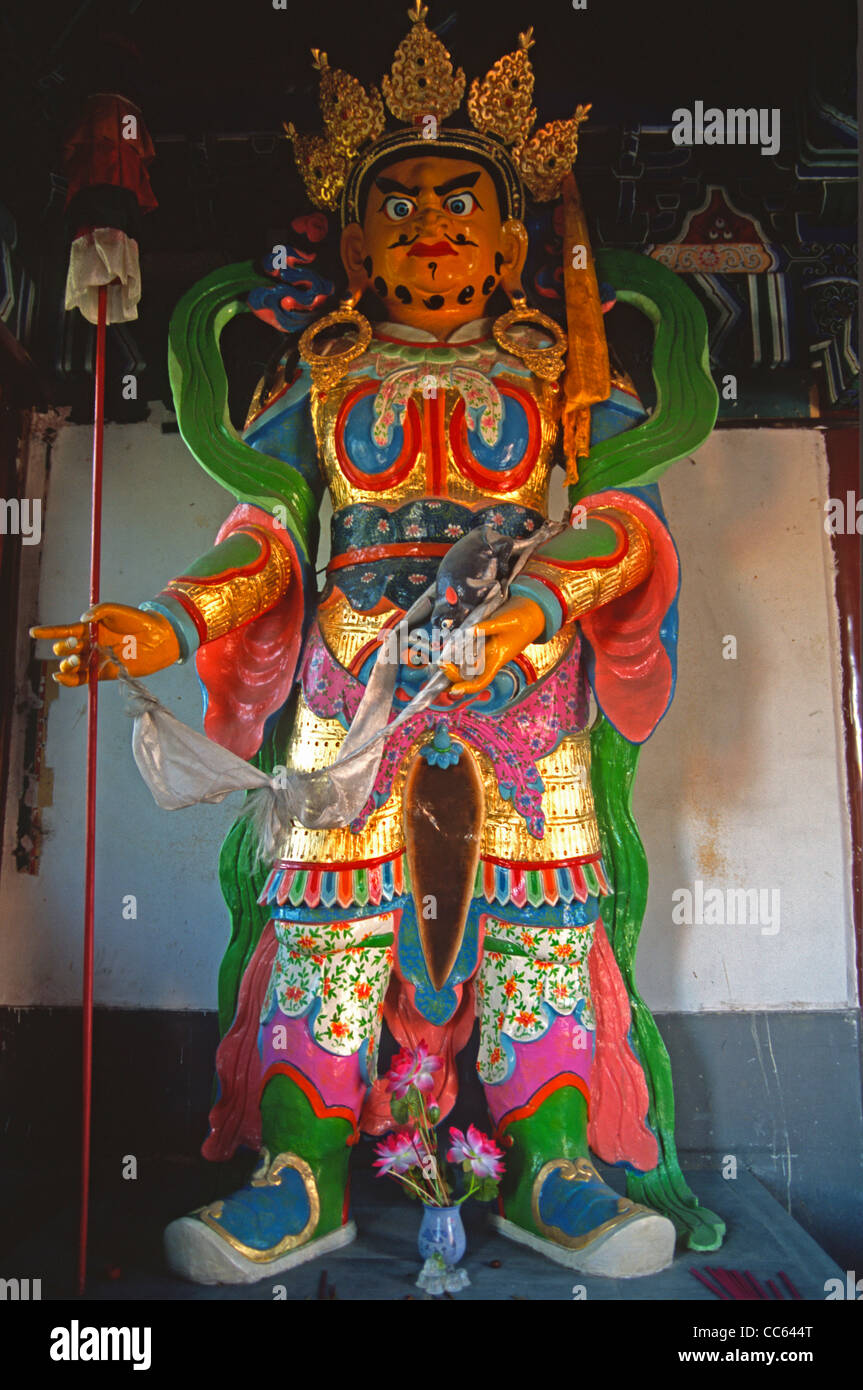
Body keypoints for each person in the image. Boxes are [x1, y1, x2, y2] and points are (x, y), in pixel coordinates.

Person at [33, 7, 720, 1283]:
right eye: (396, 209)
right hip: (351, 684)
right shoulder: (323, 376)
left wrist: (534, 606)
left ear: (512, 236)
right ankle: (296, 1174)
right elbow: (272, 537)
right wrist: (166, 619)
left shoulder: (556, 371)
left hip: (518, 682)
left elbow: (623, 522)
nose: (430, 228)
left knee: (539, 915)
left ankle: (555, 1166)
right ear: (354, 241)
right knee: (328, 926)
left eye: (460, 204)